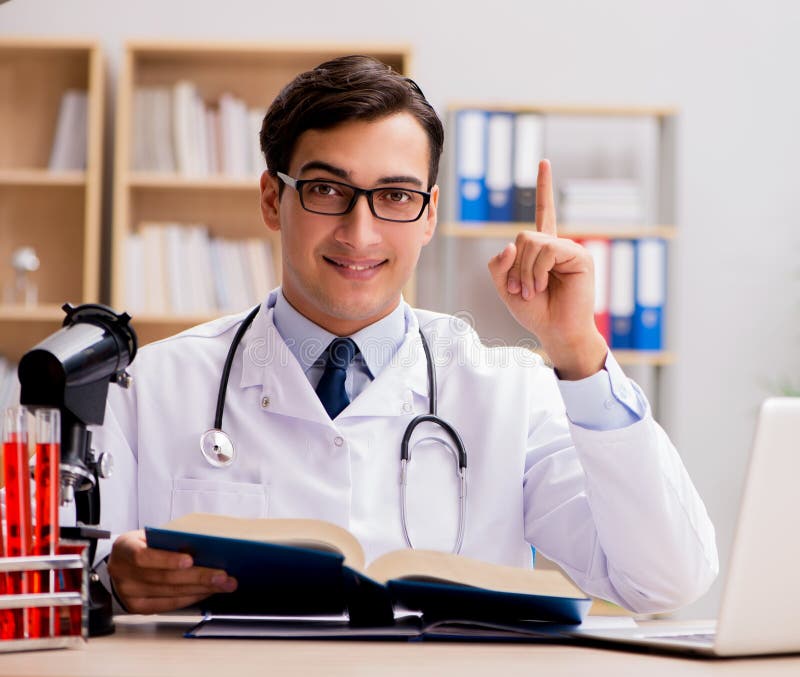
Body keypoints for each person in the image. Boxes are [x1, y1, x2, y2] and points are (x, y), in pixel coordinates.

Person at [96, 55, 718, 615]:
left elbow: (663, 582)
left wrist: (579, 353)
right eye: (326, 190)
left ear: (429, 215)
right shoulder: (151, 384)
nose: (359, 232)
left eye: (395, 196)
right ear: (270, 200)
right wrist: (109, 585)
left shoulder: (512, 393)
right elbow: (57, 581)